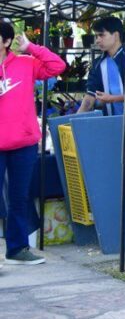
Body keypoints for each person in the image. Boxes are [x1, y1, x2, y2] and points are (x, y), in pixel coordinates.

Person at [0, 21, 65, 265]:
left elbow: (57, 66)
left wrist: (31, 47)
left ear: (6, 42)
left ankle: (17, 250)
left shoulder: (25, 64)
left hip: (24, 142)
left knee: (19, 197)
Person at [78, 16, 125, 114]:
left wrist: (113, 99)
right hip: (110, 122)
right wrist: (75, 120)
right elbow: (90, 94)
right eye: (96, 36)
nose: (97, 40)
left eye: (101, 35)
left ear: (116, 35)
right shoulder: (98, 63)